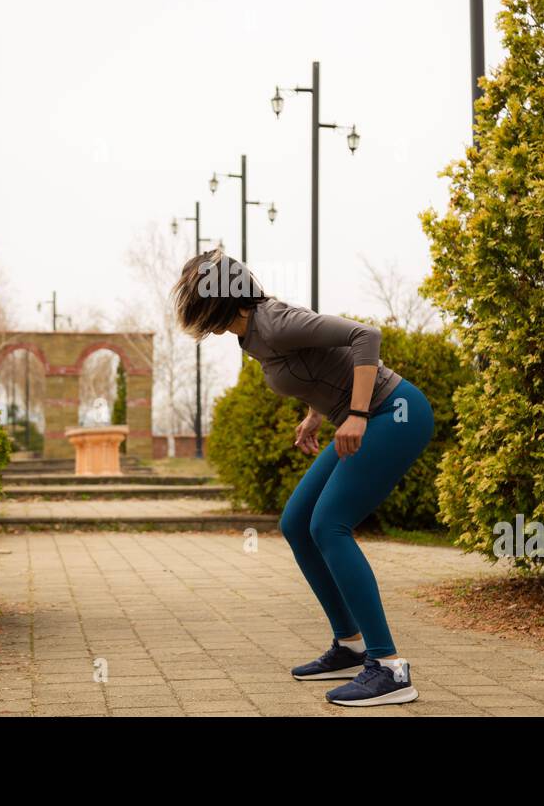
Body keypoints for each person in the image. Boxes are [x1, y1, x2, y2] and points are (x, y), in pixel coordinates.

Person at [170, 249, 434, 706]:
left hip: (397, 413)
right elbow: (321, 364)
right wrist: (316, 414)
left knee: (328, 525)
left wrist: (353, 414)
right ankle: (350, 644)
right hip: (367, 417)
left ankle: (389, 668)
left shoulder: (273, 321)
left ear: (218, 299)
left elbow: (365, 337)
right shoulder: (251, 336)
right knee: (296, 523)